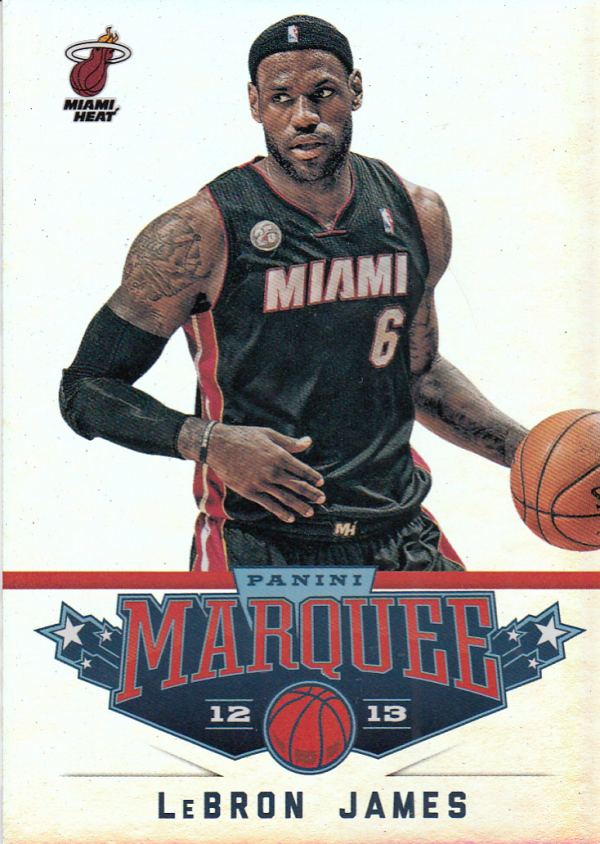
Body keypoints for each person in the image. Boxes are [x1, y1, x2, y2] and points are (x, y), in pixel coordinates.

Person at [60, 15, 528, 572]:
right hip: (263, 546)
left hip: (400, 535)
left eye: (322, 93)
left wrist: (529, 451)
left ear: (355, 90)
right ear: (255, 104)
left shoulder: (416, 213)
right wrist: (207, 442)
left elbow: (418, 374)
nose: (304, 116)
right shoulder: (200, 232)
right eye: (282, 98)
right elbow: (85, 388)